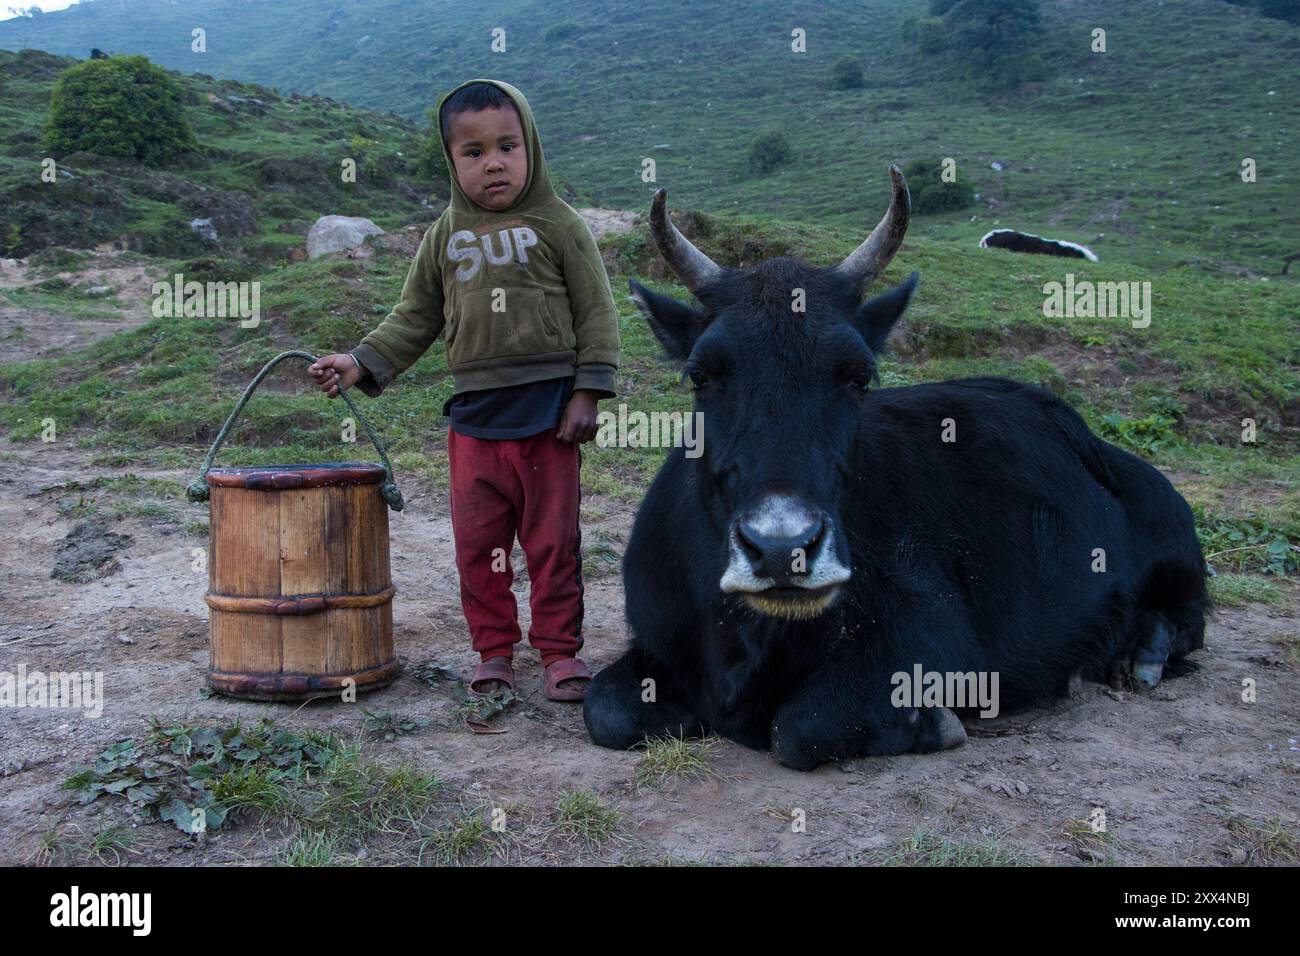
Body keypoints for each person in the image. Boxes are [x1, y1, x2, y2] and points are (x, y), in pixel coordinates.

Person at [308, 78, 621, 702]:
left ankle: (559, 653)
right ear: (452, 163)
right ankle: (495, 651)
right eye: (472, 152)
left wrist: (589, 391)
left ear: (530, 145)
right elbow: (414, 317)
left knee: (553, 544)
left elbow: (598, 311)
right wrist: (359, 362)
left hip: (549, 418)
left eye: (507, 145)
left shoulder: (560, 225)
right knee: (481, 549)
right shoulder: (444, 235)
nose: (494, 163)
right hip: (474, 424)